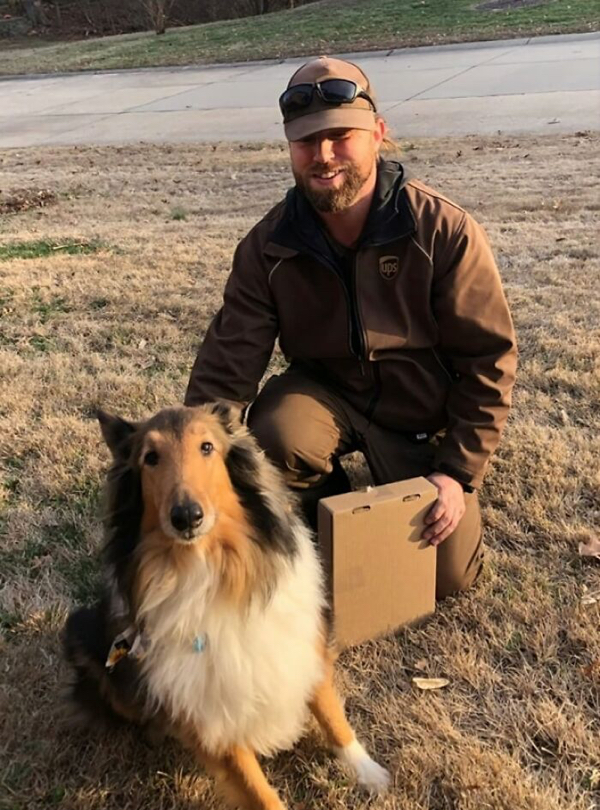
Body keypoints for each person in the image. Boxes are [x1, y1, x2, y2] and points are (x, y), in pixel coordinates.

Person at [185, 56, 517, 599]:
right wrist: (194, 468)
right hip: (328, 399)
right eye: (305, 141)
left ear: (379, 134)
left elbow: (490, 360)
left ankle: (412, 477)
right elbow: (226, 368)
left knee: (449, 580)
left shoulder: (442, 230)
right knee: (273, 435)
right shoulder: (267, 246)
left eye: (341, 135)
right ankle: (325, 500)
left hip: (420, 417)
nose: (322, 156)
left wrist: (456, 471)